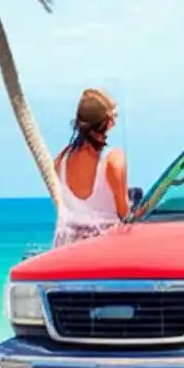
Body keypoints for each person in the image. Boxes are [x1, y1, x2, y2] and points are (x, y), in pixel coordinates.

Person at [51, 88, 129, 248]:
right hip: (103, 246)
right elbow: (124, 212)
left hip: (66, 246)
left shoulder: (60, 161)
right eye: (113, 117)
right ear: (106, 123)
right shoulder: (113, 159)